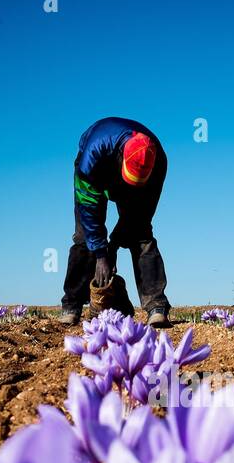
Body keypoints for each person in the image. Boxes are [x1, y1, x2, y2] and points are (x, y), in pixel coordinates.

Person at [59, 118, 171, 327]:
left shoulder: (158, 164)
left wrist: (115, 244)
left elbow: (141, 214)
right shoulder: (92, 157)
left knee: (141, 233)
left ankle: (156, 305)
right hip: (100, 170)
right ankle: (72, 304)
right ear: (121, 158)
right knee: (85, 237)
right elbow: (88, 206)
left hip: (137, 182)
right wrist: (101, 254)